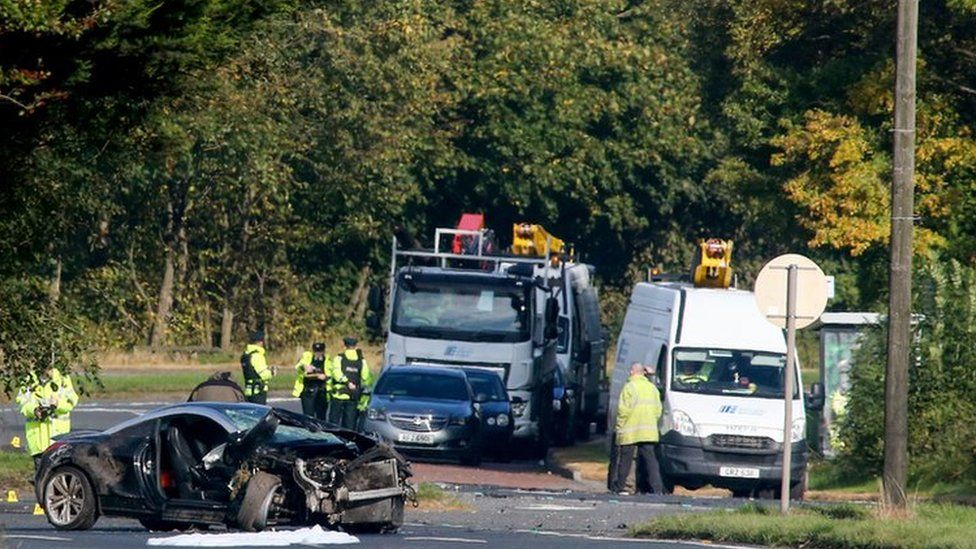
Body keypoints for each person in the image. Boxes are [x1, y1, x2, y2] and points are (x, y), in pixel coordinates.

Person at [611, 362, 664, 495]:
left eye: (631, 370)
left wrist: (619, 427)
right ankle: (657, 488)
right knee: (651, 461)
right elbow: (658, 411)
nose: (629, 372)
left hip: (630, 431)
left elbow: (623, 411)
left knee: (625, 461)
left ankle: (620, 486)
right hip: (648, 432)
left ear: (633, 372)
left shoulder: (629, 387)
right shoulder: (652, 388)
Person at [16, 367, 79, 466]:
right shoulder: (29, 379)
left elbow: (72, 400)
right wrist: (34, 410)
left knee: (60, 474)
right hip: (37, 442)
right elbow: (21, 401)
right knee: (42, 477)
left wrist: (58, 404)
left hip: (58, 441)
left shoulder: (62, 378)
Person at [329, 337, 373, 430]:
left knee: (333, 422)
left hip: (338, 395)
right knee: (350, 423)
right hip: (353, 395)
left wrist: (346, 381)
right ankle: (348, 442)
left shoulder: (339, 358)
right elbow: (367, 378)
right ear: (356, 346)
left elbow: (336, 373)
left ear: (345, 346)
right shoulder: (361, 360)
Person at [292, 342, 330, 420]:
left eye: (320, 351)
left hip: (322, 391)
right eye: (316, 351)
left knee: (321, 417)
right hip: (308, 390)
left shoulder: (327, 360)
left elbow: (331, 373)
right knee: (308, 416)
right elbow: (299, 366)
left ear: (323, 351)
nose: (317, 353)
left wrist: (324, 376)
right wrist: (305, 367)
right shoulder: (307, 357)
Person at [241, 331, 275, 404]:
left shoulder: (246, 355)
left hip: (249, 390)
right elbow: (263, 375)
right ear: (260, 342)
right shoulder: (257, 356)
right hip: (258, 392)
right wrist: (272, 372)